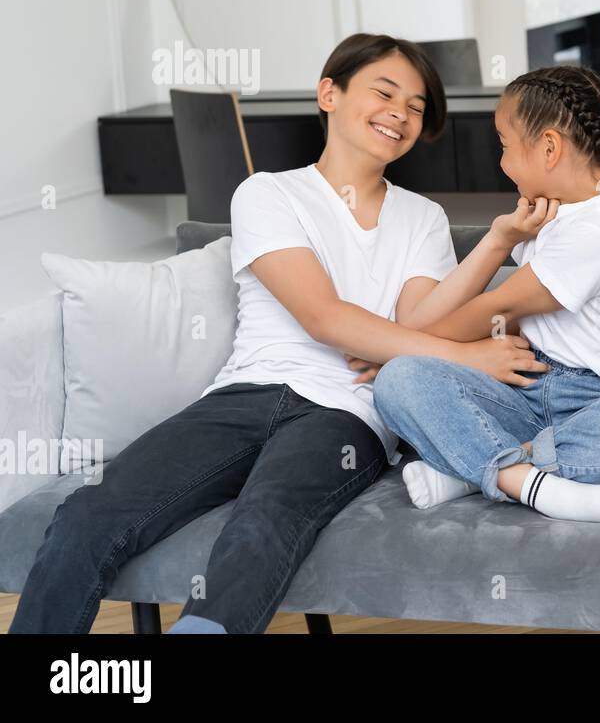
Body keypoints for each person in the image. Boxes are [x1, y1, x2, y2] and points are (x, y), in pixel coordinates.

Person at [9, 32, 547, 634]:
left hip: (349, 414)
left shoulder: (422, 218)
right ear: (330, 94)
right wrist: (465, 357)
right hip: (245, 395)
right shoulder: (267, 194)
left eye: (417, 107)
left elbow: (413, 323)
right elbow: (324, 318)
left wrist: (495, 244)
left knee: (265, 520)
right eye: (385, 92)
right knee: (90, 512)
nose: (401, 113)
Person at [373, 65, 600, 528]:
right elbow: (445, 324)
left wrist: (403, 340)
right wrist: (501, 236)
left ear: (548, 147)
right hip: (529, 388)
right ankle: (529, 479)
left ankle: (485, 472)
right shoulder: (552, 216)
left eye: (504, 145)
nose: (501, 162)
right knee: (399, 380)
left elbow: (492, 310)